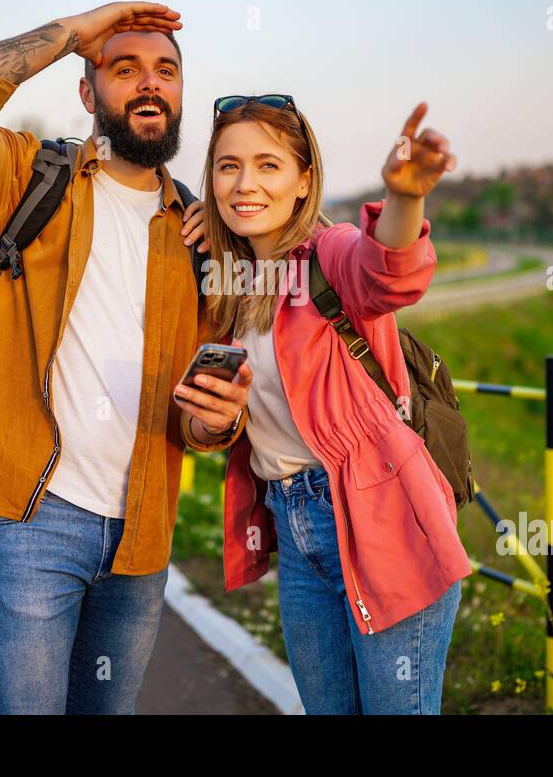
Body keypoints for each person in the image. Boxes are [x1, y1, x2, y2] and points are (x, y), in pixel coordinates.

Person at [0, 1, 250, 714]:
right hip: (26, 524)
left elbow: (197, 421)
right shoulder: (28, 177)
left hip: (141, 538)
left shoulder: (203, 240)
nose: (149, 84)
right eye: (124, 69)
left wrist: (217, 425)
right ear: (88, 93)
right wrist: (68, 34)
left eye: (166, 71)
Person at [173, 95, 472, 714]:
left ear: (304, 179)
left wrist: (405, 199)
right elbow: (212, 430)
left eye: (268, 165)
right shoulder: (227, 283)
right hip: (297, 529)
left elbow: (388, 272)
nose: (245, 183)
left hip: (383, 520)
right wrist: (214, 421)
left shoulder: (329, 253)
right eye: (228, 167)